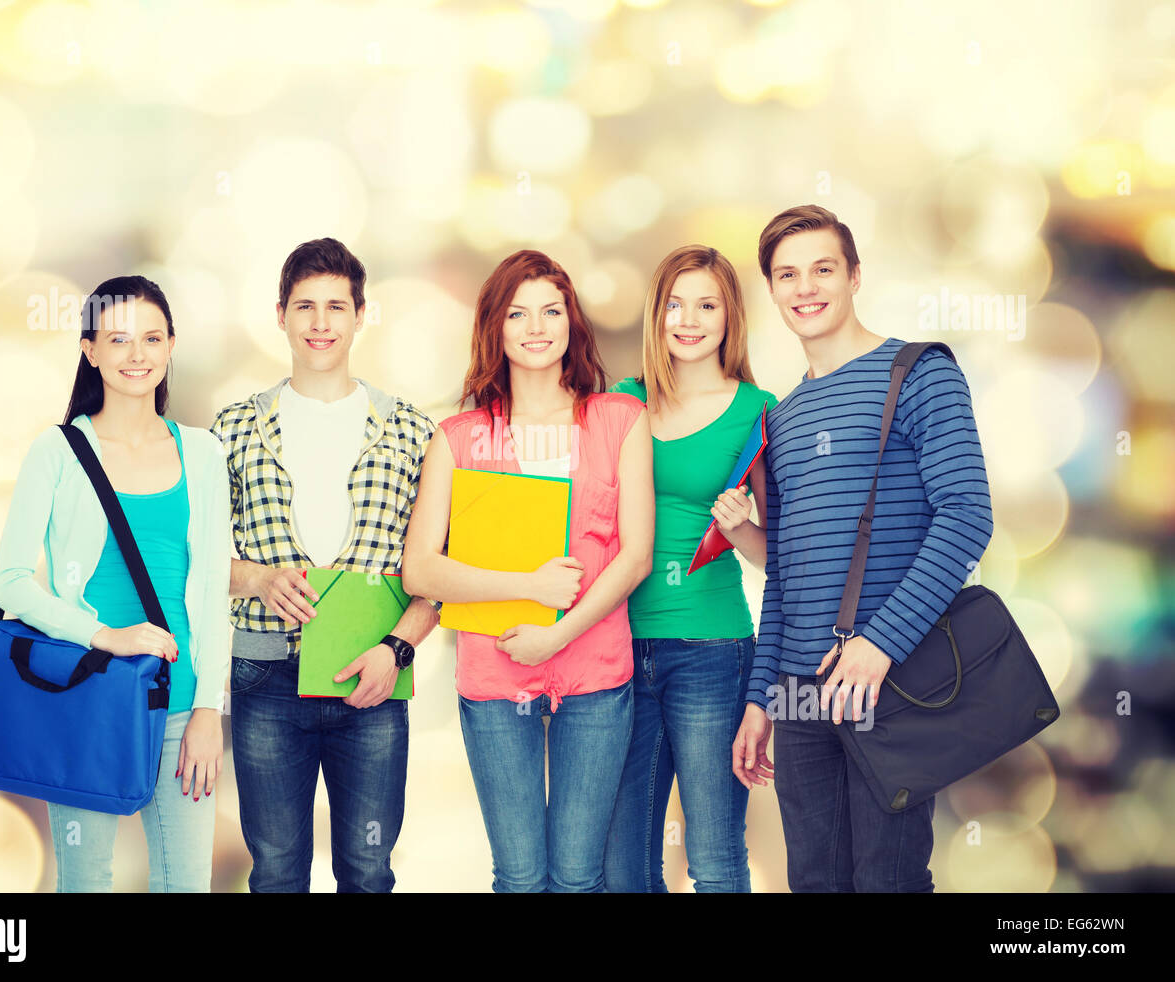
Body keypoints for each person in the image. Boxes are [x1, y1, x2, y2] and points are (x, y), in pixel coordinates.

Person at [734, 205, 993, 891]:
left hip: (894, 680)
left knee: (890, 880)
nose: (805, 287)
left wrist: (879, 644)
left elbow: (967, 516)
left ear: (854, 276)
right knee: (814, 881)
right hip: (799, 698)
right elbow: (784, 577)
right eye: (787, 274)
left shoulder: (920, 373)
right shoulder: (781, 419)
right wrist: (764, 697)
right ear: (771, 290)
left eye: (822, 269)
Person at [402, 249, 655, 893]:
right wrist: (527, 589)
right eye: (518, 313)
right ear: (495, 327)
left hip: (595, 669)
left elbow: (636, 557)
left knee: (576, 876)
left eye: (551, 310)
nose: (537, 327)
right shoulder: (458, 437)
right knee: (518, 877)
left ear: (572, 322)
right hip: (493, 673)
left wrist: (556, 632)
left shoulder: (620, 420)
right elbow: (420, 572)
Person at [211, 237, 440, 893]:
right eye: (304, 306)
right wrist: (256, 578)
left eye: (336, 307)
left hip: (370, 678)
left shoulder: (413, 432)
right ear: (279, 314)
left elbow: (435, 576)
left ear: (361, 315)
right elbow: (196, 563)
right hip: (265, 678)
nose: (319, 323)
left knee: (367, 872)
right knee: (278, 872)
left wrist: (395, 652)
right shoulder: (231, 430)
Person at [0, 275, 231, 892]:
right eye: (119, 339)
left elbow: (210, 589)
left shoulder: (203, 453)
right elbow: (12, 582)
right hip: (89, 696)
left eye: (152, 338)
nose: (137, 355)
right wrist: (105, 636)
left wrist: (209, 709)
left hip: (181, 707)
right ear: (90, 349)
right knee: (87, 881)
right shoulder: (58, 451)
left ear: (172, 345)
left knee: (185, 885)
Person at [604, 245, 776, 893]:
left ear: (730, 316)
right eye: (675, 304)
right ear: (656, 313)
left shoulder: (757, 409)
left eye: (706, 305)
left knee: (714, 857)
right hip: (618, 648)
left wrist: (740, 528)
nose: (689, 319)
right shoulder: (623, 402)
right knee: (626, 864)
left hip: (713, 651)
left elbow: (774, 557)